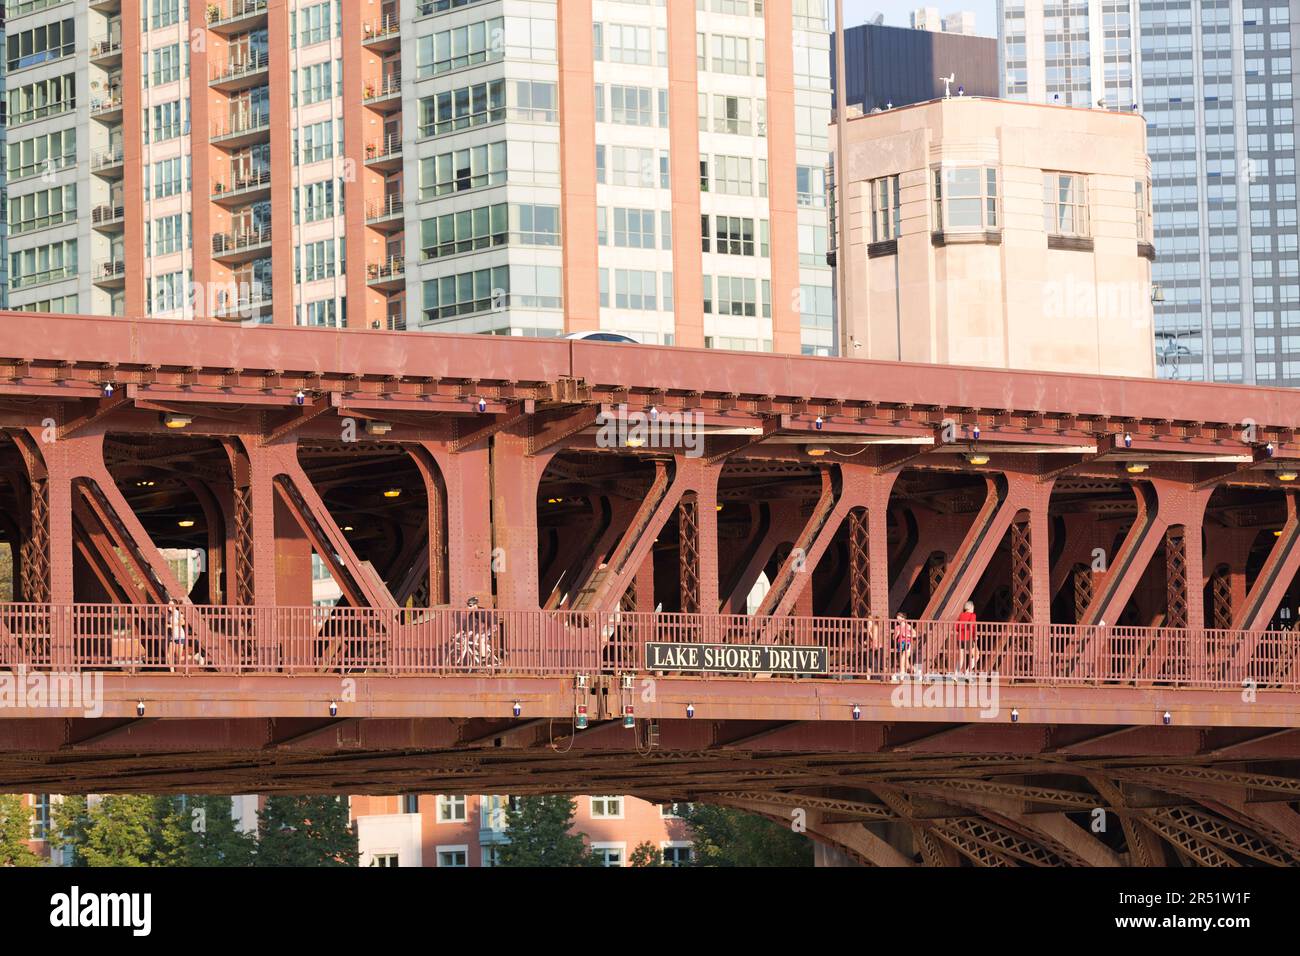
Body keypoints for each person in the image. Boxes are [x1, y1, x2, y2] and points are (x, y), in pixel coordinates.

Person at [956, 600, 979, 677]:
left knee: (961, 658)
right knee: (976, 655)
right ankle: (967, 672)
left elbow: (956, 628)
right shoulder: (972, 615)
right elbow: (973, 625)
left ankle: (956, 675)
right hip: (968, 637)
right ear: (971, 607)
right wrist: (975, 635)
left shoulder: (961, 615)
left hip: (960, 638)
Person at [892, 612, 916, 681]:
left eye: (899, 619)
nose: (898, 621)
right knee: (906, 663)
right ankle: (915, 671)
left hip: (907, 642)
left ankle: (902, 674)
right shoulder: (897, 627)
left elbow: (915, 634)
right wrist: (897, 634)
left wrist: (908, 635)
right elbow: (893, 637)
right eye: (897, 619)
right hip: (900, 643)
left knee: (903, 657)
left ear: (903, 618)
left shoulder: (908, 626)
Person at [166, 599, 187, 672]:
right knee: (169, 655)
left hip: (180, 635)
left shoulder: (176, 613)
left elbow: (183, 622)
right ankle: (172, 672)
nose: (169, 606)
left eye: (171, 604)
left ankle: (194, 658)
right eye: (169, 604)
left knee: (178, 657)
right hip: (173, 636)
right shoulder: (169, 615)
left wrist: (171, 625)